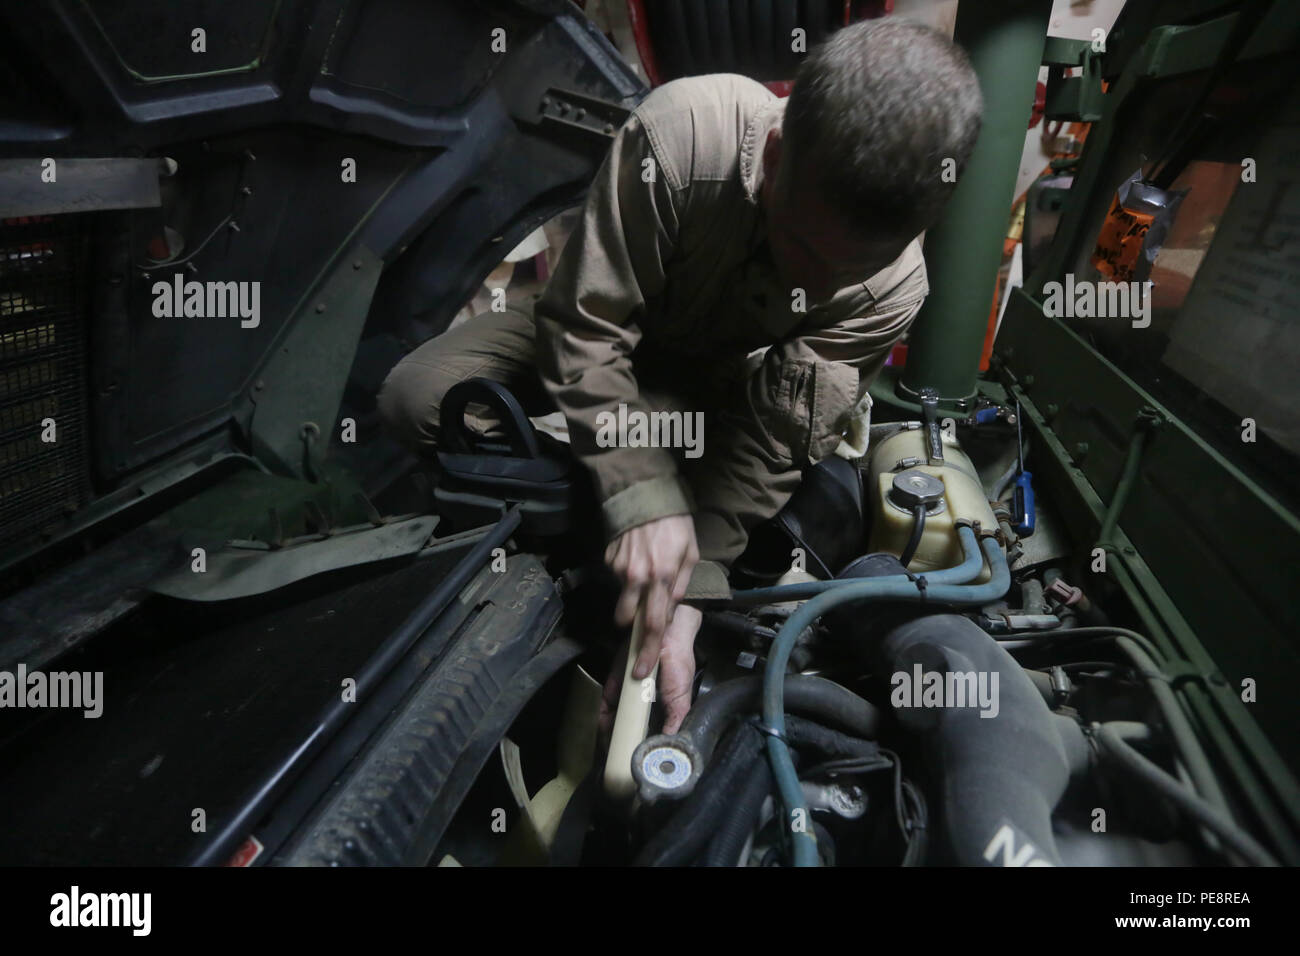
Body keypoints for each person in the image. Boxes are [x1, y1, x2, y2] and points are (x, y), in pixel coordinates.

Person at [377, 18, 982, 734]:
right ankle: (606, 502)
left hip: (718, 391)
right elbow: (585, 327)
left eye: (839, 276)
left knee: (751, 486)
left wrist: (695, 585)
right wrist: (639, 492)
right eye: (799, 247)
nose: (807, 286)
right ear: (780, 152)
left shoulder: (893, 290)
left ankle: (592, 520)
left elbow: (772, 438)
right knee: (415, 398)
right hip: (592, 338)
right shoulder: (683, 135)